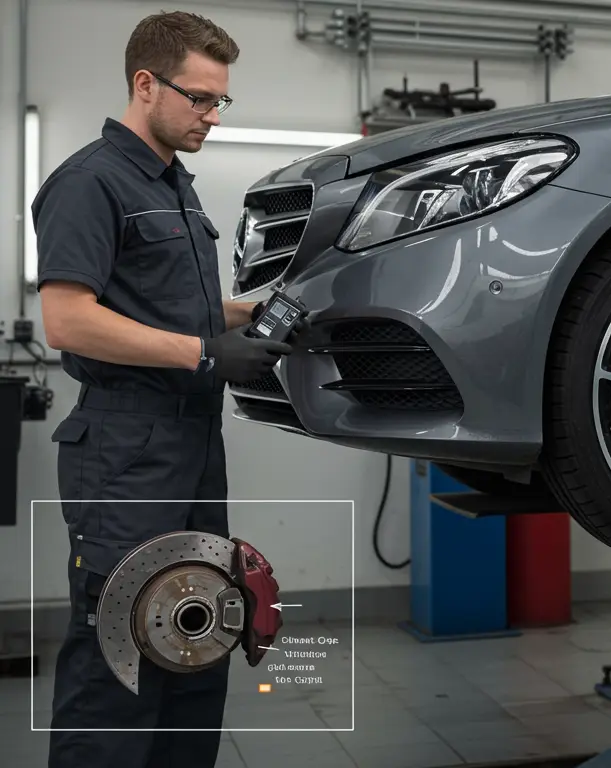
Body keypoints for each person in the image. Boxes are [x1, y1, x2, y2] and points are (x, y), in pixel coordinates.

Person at [33, 11, 301, 768]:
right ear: (145, 84)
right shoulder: (91, 181)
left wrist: (244, 315)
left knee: (193, 639)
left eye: (222, 102)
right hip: (125, 453)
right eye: (200, 99)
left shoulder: (173, 184)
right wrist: (204, 354)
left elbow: (159, 302)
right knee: (118, 657)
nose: (212, 116)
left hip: (189, 446)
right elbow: (68, 319)